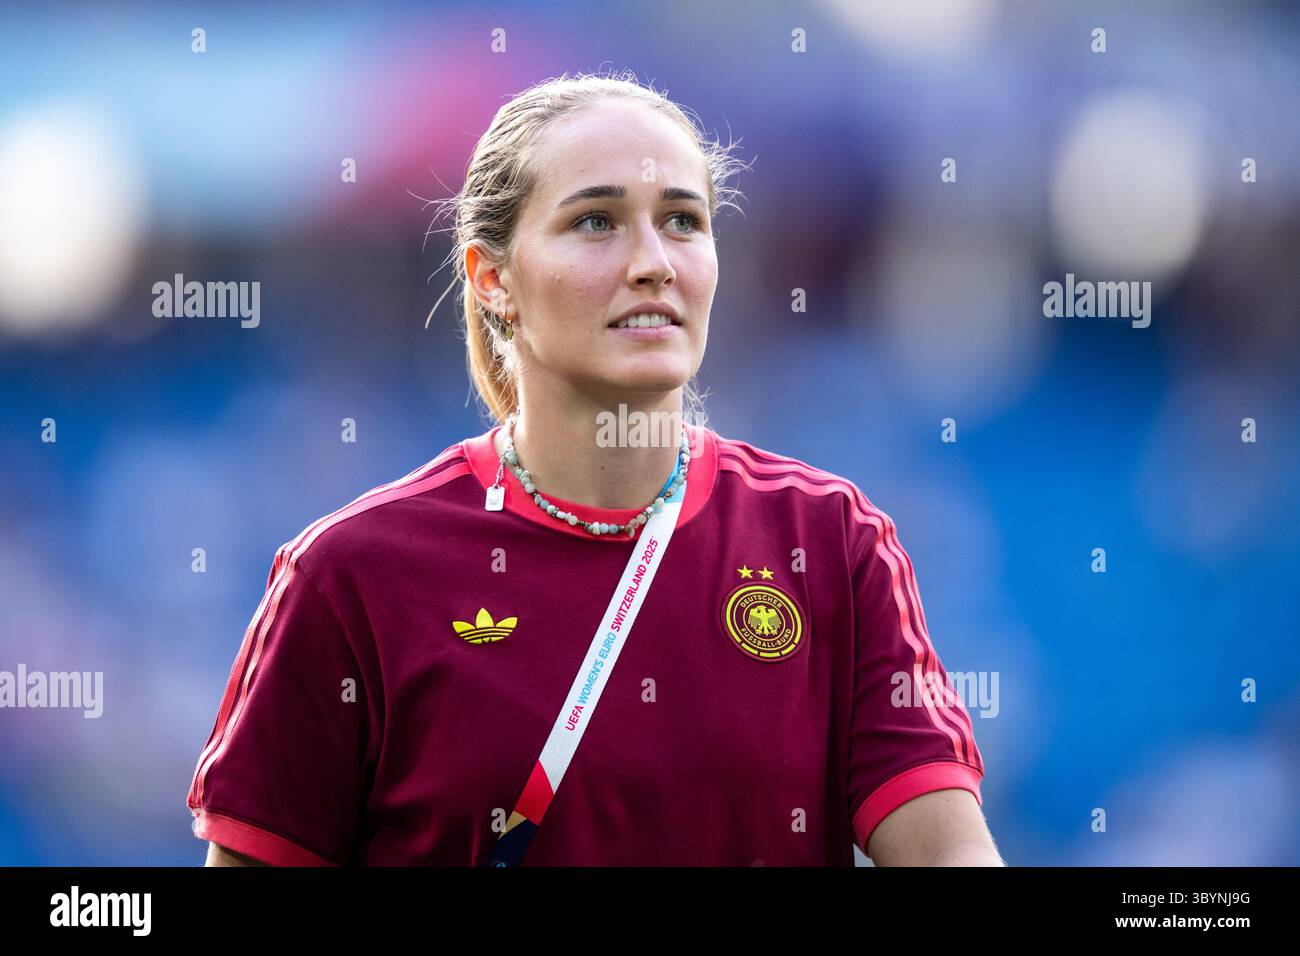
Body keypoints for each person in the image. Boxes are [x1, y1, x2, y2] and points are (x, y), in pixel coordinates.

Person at [187, 70, 1002, 867]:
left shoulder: (831, 543)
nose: (654, 262)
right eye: (596, 223)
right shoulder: (350, 575)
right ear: (493, 278)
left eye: (683, 221)